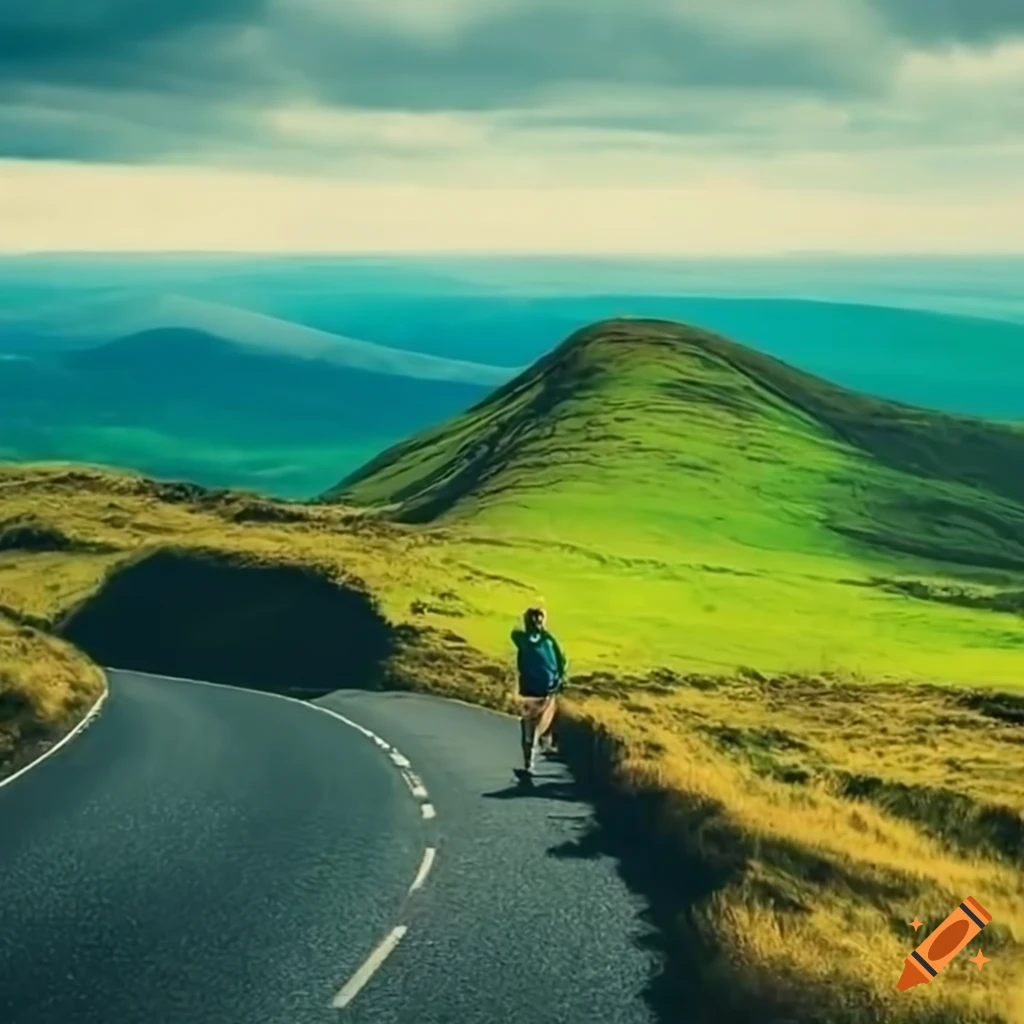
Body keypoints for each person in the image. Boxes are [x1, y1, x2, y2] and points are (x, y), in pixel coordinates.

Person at [511, 606, 567, 778]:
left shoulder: (535, 640)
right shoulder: (541, 640)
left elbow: (561, 659)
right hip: (538, 690)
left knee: (531, 726)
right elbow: (562, 660)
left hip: (537, 690)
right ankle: (534, 757)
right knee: (534, 724)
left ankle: (531, 762)